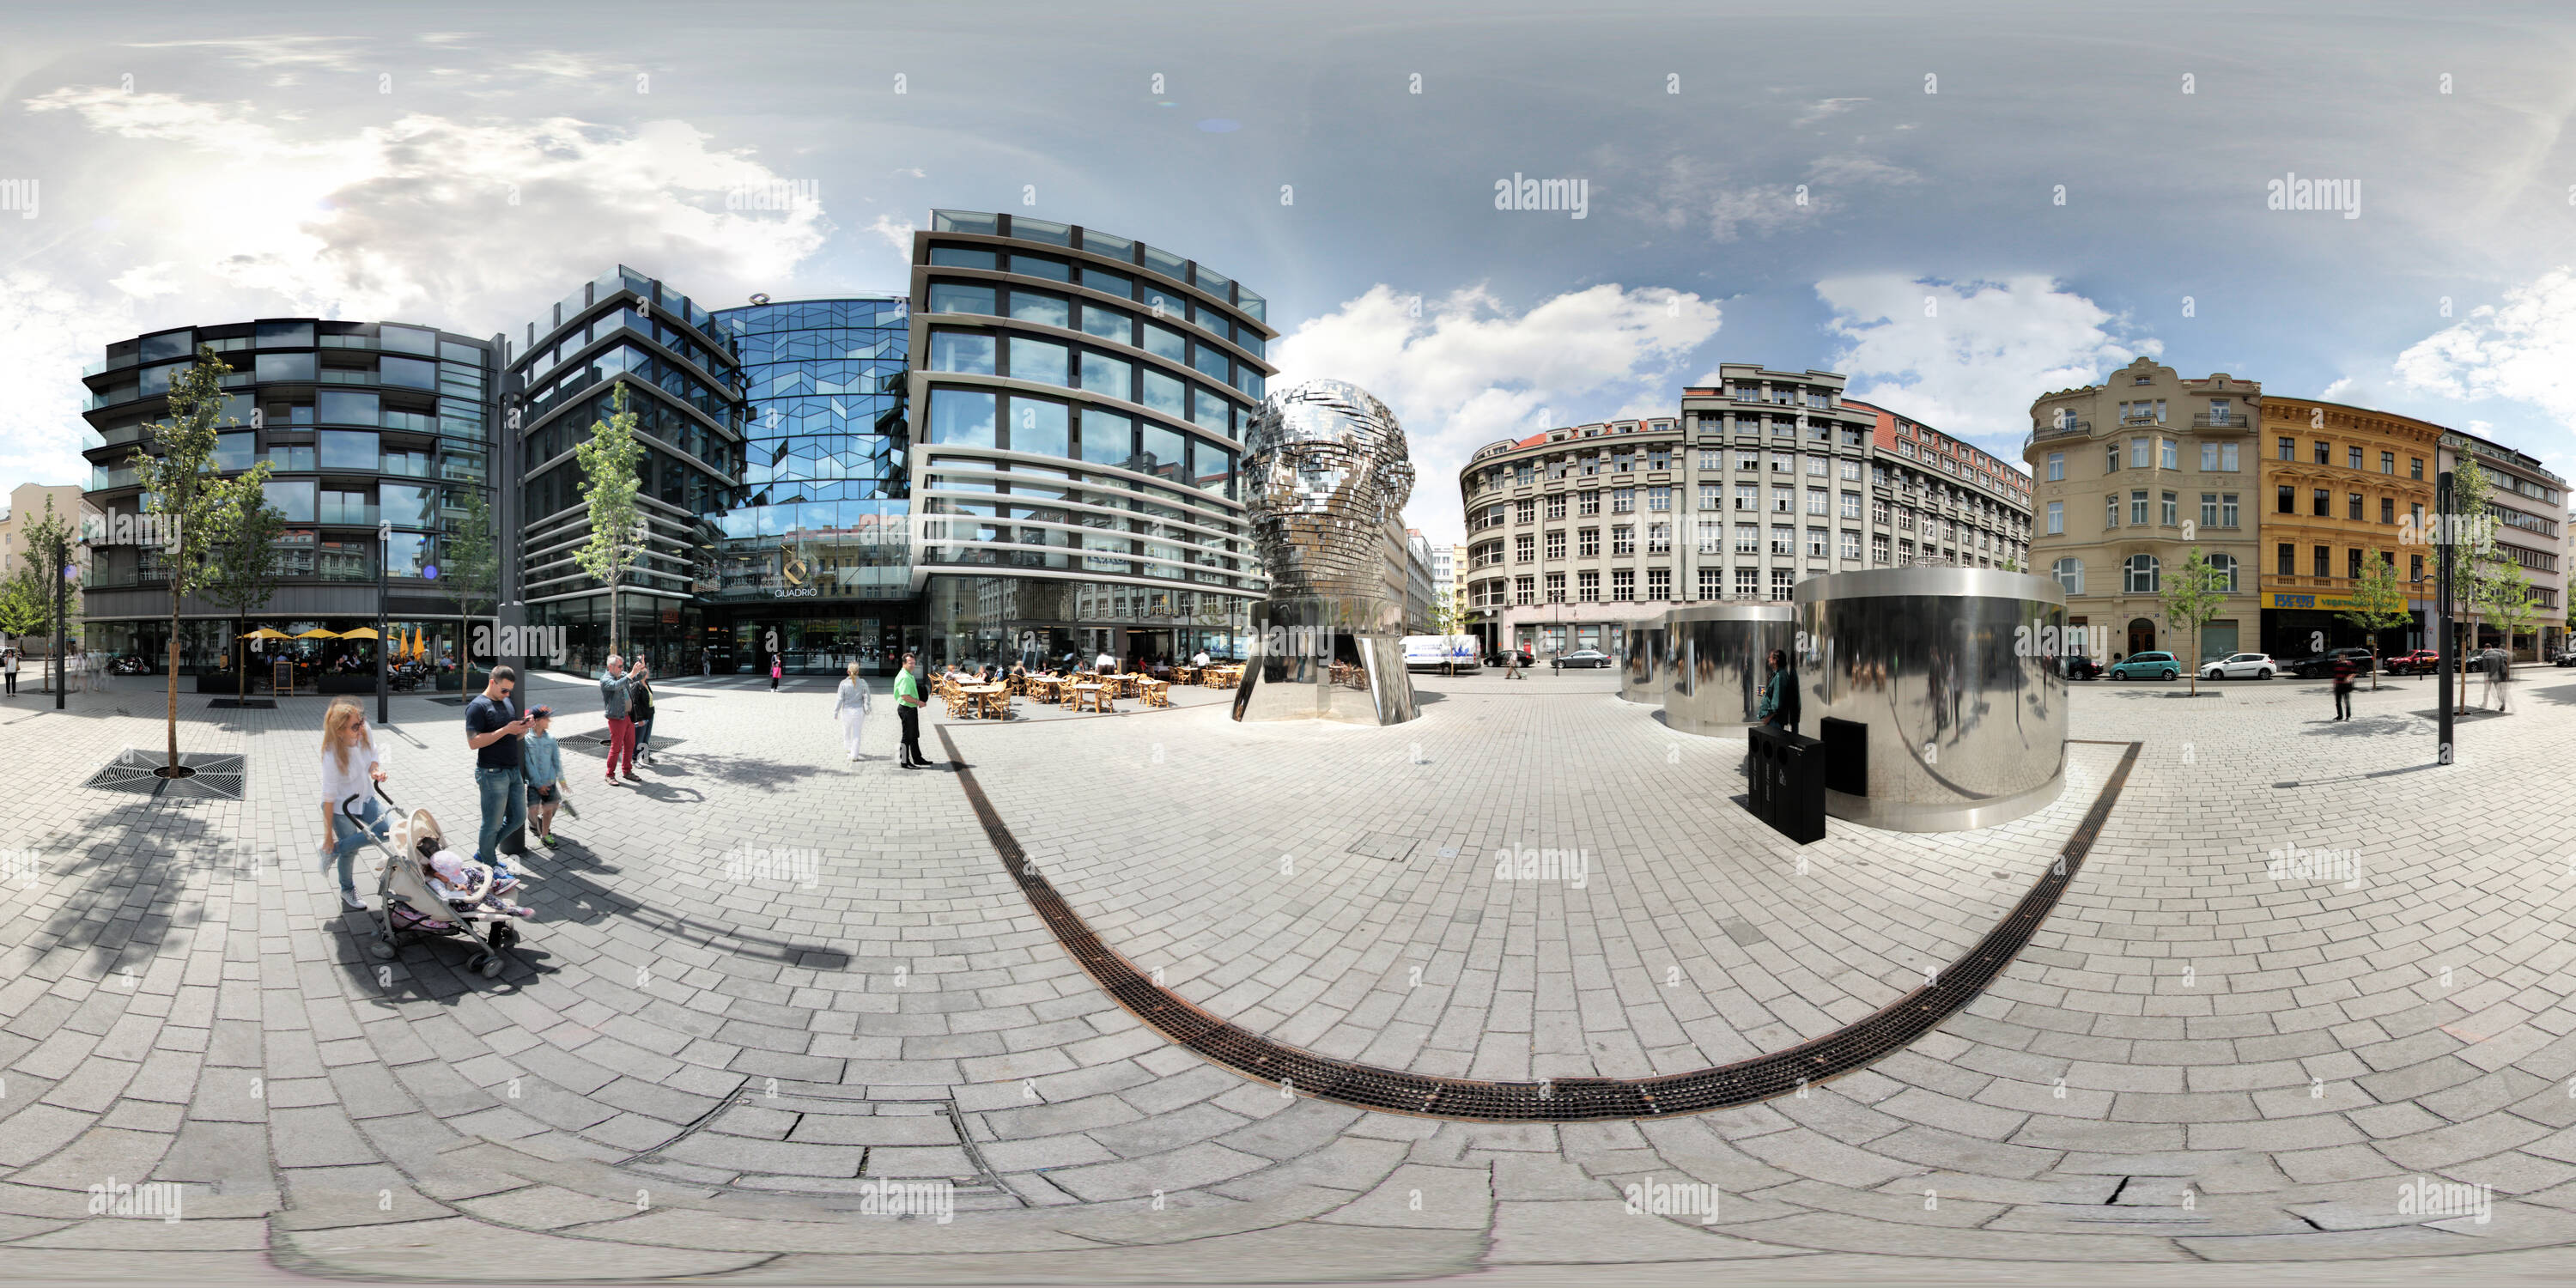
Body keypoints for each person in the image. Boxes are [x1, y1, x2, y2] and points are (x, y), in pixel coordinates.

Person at [318, 698, 390, 910]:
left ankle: (330, 851)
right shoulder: (331, 755)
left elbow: (373, 755)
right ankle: (347, 888)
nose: (361, 728)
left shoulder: (364, 729)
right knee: (351, 851)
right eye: (354, 727)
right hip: (342, 807)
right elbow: (328, 799)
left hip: (365, 796)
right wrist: (327, 836)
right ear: (339, 731)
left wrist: (375, 771)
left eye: (361, 722)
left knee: (389, 831)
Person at [462, 666, 532, 875]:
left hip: (512, 770)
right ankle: (490, 864)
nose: (507, 695)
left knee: (518, 817)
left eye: (510, 691)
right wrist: (506, 729)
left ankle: (484, 851)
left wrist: (522, 730)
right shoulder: (477, 707)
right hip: (492, 772)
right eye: (504, 690)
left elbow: (512, 737)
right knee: (491, 823)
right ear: (492, 682)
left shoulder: (506, 701)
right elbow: (473, 742)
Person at [522, 707, 566, 848]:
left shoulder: (551, 739)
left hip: (550, 781)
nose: (550, 720)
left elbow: (556, 761)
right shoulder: (526, 740)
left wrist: (561, 780)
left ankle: (545, 835)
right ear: (537, 721)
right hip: (535, 783)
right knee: (533, 809)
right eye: (546, 718)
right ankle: (534, 825)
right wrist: (538, 783)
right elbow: (529, 764)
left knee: (550, 807)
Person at [599, 653, 644, 784]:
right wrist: (631, 674)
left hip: (629, 716)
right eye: (619, 666)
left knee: (630, 745)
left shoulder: (623, 675)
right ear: (610, 666)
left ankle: (627, 771)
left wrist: (641, 668)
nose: (621, 668)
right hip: (616, 718)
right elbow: (615, 685)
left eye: (622, 666)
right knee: (616, 747)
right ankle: (610, 774)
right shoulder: (605, 679)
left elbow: (639, 677)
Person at [894, 651, 928, 769]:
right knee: (907, 736)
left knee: (914, 735)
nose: (913, 665)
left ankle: (917, 758)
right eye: (910, 663)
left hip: (910, 708)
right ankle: (904, 761)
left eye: (914, 663)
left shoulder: (908, 674)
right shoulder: (904, 677)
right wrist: (919, 702)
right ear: (904, 663)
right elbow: (904, 696)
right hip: (906, 708)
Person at [835, 662, 873, 761]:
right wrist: (867, 707)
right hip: (859, 711)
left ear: (848, 671)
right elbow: (867, 697)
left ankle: (848, 749)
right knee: (857, 734)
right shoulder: (863, 682)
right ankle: (854, 755)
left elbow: (839, 699)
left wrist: (836, 712)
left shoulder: (843, 683)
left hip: (846, 711)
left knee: (846, 731)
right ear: (858, 671)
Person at [1757, 648, 1801, 734]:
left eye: (1770, 657)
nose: (1768, 659)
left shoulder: (1780, 676)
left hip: (1774, 721)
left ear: (1775, 660)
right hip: (1772, 720)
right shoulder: (1777, 674)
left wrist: (1767, 718)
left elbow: (1777, 703)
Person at [630, 667, 658, 766]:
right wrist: (640, 719)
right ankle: (634, 759)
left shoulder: (646, 684)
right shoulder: (636, 685)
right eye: (646, 672)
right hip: (643, 716)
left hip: (650, 714)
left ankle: (645, 757)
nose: (648, 673)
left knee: (646, 737)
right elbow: (635, 704)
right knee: (639, 738)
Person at [2330, 653, 2356, 720]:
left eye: (2343, 656)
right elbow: (2335, 675)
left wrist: (2348, 678)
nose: (2341, 657)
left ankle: (2348, 716)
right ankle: (2340, 716)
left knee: (2346, 701)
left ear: (2346, 656)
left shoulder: (2349, 664)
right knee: (2338, 701)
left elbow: (2353, 673)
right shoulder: (2336, 664)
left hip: (2346, 685)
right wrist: (2334, 684)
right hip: (2338, 685)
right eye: (2340, 656)